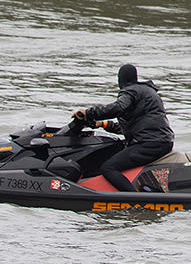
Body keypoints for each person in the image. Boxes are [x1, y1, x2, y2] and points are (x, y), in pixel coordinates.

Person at [72, 63, 175, 193]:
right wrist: (101, 124)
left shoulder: (131, 91)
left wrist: (88, 113)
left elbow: (118, 107)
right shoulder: (145, 92)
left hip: (150, 144)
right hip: (158, 141)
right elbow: (134, 127)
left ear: (121, 79)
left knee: (108, 167)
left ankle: (134, 199)